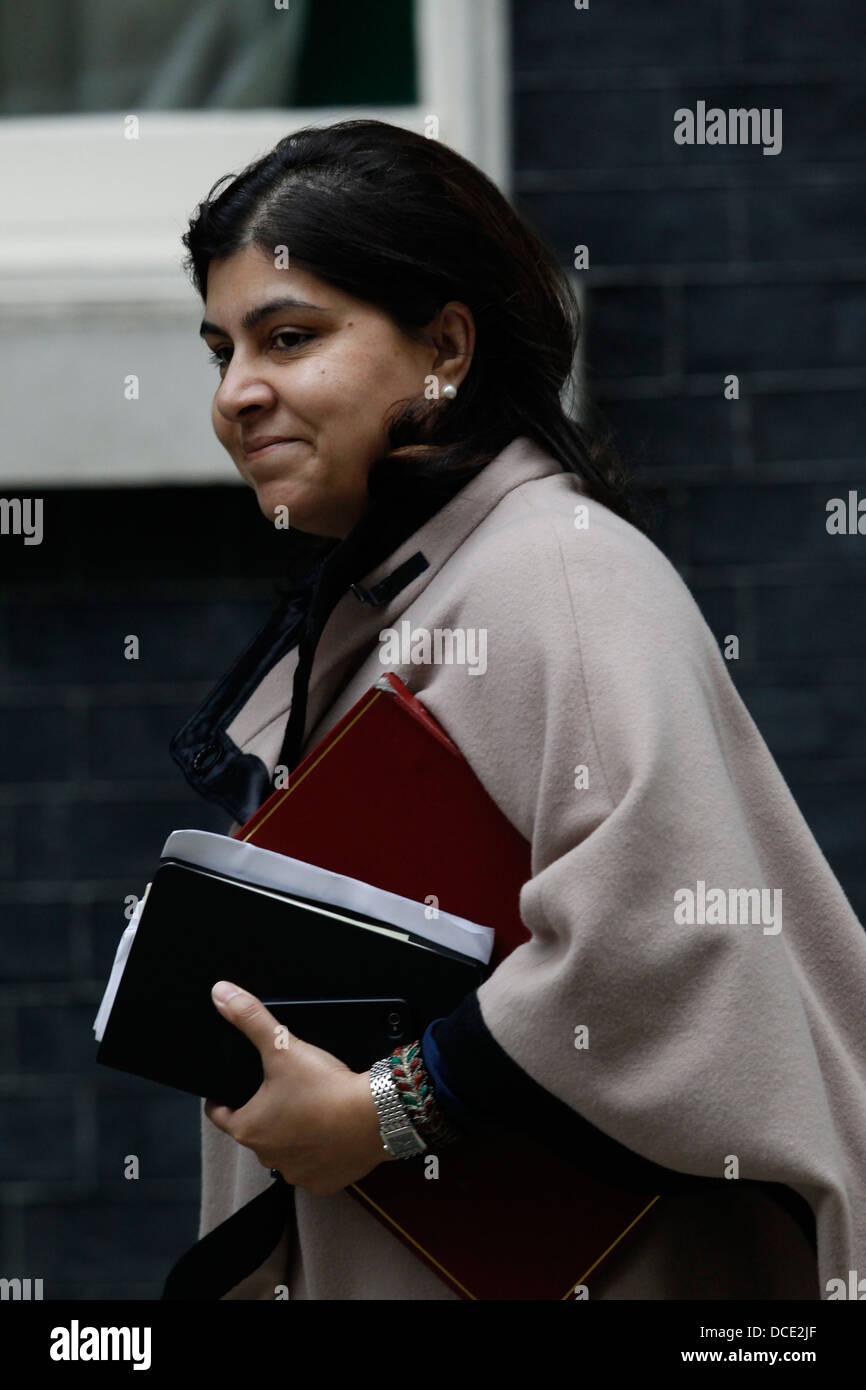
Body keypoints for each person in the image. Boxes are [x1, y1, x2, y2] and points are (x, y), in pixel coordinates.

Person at [164, 118, 866, 1300]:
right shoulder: (422, 586)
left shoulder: (555, 572)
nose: (238, 393)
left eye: (289, 336)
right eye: (218, 349)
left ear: (444, 349)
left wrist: (381, 1114)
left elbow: (657, 934)